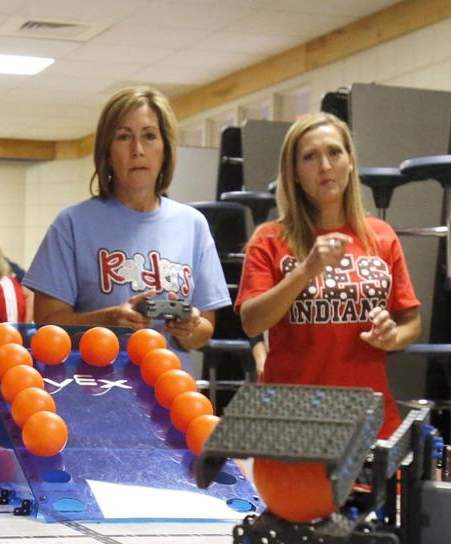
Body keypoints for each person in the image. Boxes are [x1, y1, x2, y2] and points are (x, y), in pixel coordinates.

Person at [236, 113, 421, 436]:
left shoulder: (381, 235)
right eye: (310, 157)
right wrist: (307, 269)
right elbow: (252, 321)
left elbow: (411, 321)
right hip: (291, 421)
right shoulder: (269, 239)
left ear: (350, 161)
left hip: (368, 417)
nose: (325, 166)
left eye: (334, 152)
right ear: (294, 173)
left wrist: (392, 337)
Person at [24, 86, 229, 357]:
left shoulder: (193, 225)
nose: (138, 150)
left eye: (149, 136)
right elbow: (46, 324)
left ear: (165, 149)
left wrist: (189, 326)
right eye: (123, 137)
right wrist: (110, 321)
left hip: (171, 392)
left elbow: (205, 328)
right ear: (107, 152)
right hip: (93, 390)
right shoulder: (72, 224)